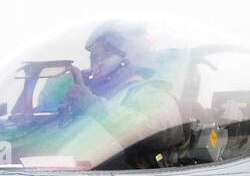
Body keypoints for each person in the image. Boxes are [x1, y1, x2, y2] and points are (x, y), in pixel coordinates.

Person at [59, 21, 185, 168]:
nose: (94, 66)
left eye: (101, 57)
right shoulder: (103, 95)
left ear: (127, 59)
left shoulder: (151, 92)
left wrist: (93, 106)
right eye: (93, 59)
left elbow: (160, 132)